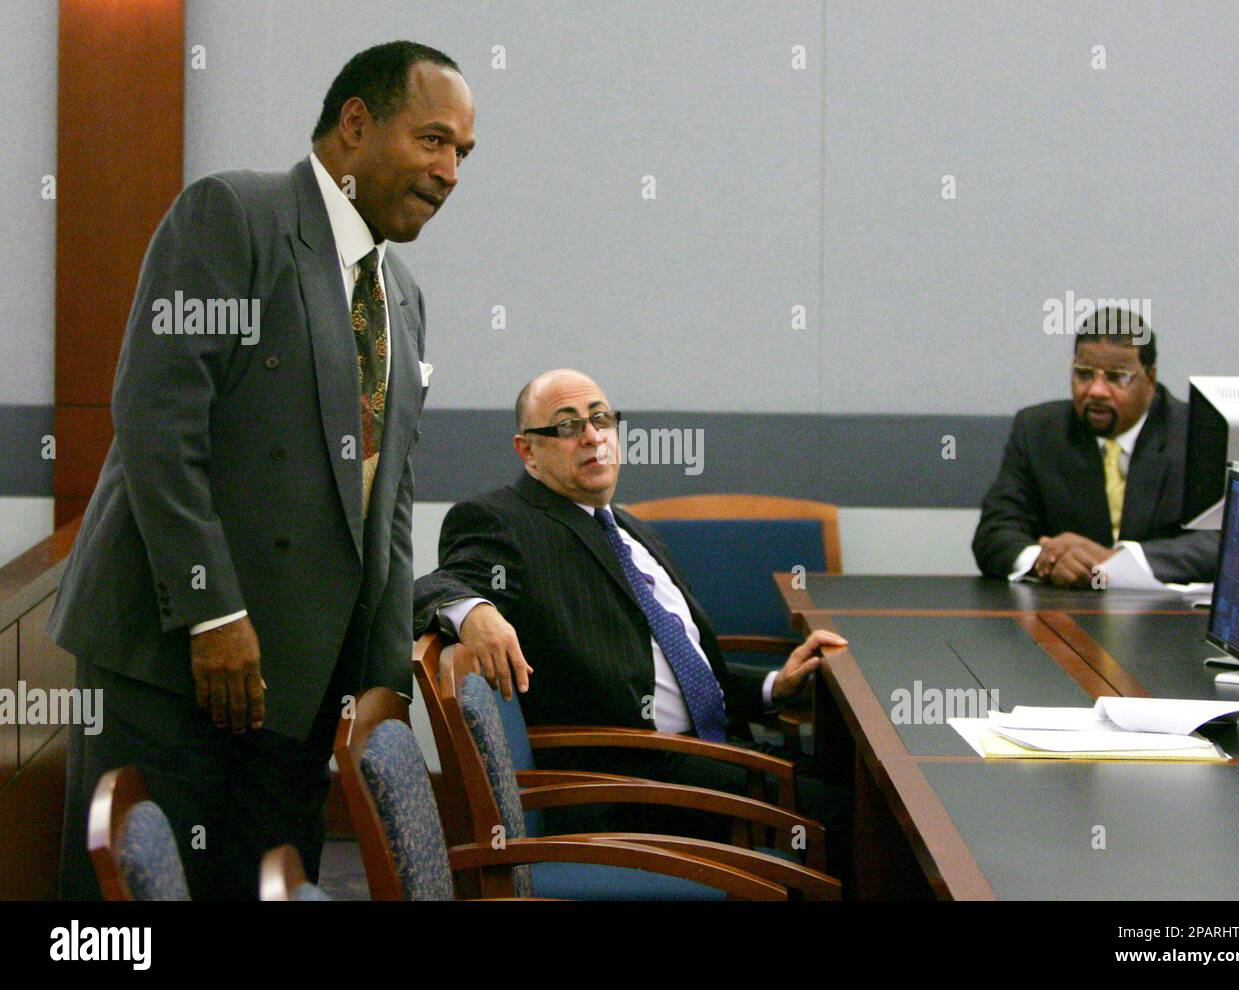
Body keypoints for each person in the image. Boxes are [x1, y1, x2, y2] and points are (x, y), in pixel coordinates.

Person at [50, 41, 476, 899]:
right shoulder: (233, 215)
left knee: (267, 884)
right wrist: (214, 614)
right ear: (356, 124)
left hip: (297, 693)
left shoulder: (405, 301)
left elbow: (388, 504)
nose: (450, 171)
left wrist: (383, 680)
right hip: (170, 665)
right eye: (433, 140)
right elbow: (157, 423)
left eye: (462, 154)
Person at [413, 368, 850, 876]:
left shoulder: (627, 526)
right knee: (851, 816)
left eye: (601, 419)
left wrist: (776, 686)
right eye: (568, 425)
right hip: (627, 781)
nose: (593, 436)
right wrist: (476, 612)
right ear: (528, 451)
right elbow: (427, 589)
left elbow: (666, 663)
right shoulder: (502, 520)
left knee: (862, 783)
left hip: (707, 752)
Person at [972, 307, 1218, 586]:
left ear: (1149, 377)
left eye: (1116, 377)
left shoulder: (1195, 434)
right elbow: (995, 531)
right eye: (1084, 374)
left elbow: (1221, 543)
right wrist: (1044, 560)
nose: (1096, 390)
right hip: (1065, 612)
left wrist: (1119, 561)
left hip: (1165, 618)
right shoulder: (1038, 430)